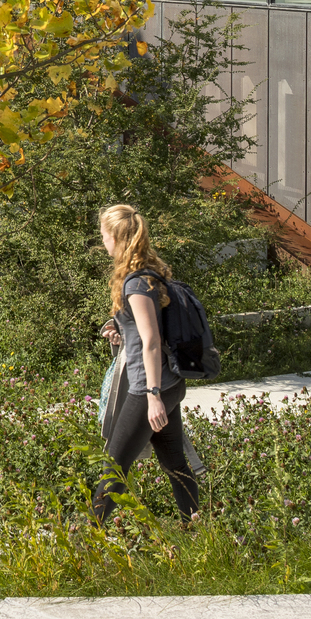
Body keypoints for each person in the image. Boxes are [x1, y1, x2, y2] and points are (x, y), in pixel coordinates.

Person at [93, 203, 199, 524]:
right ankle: (195, 530)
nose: (102, 243)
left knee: (114, 468)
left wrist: (152, 396)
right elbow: (144, 332)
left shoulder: (135, 284)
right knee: (175, 463)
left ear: (117, 238)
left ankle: (87, 542)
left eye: (104, 236)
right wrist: (120, 331)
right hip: (170, 385)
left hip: (148, 390)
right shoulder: (152, 274)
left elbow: (152, 341)